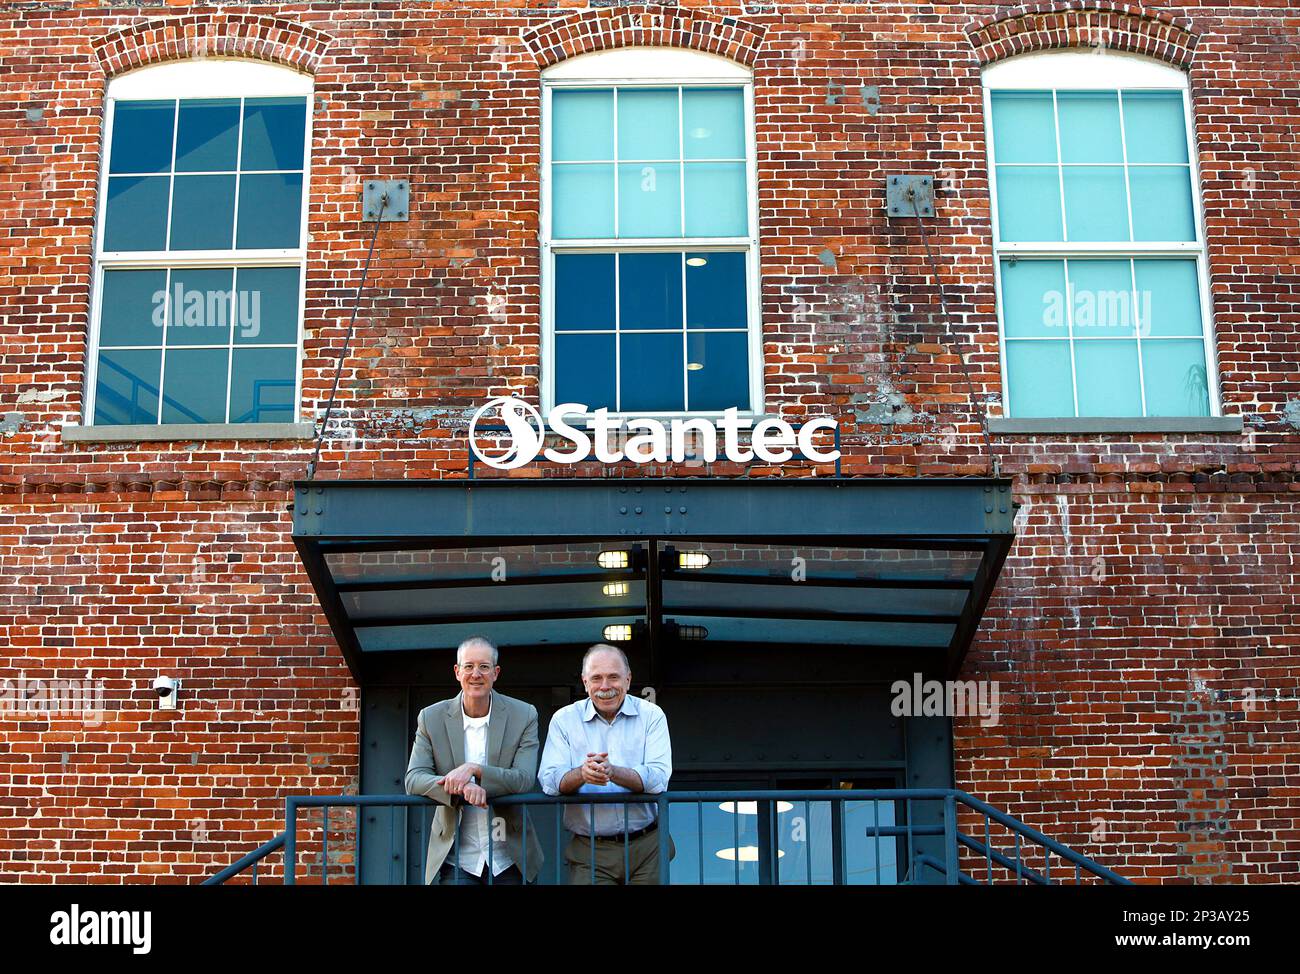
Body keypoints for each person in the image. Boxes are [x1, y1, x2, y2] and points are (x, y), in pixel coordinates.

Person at [404, 635, 543, 884]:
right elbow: (414, 779)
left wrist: (474, 770)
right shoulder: (431, 717)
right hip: (458, 857)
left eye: (484, 667)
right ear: (457, 672)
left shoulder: (524, 714)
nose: (475, 674)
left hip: (510, 855)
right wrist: (461, 786)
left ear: (496, 673)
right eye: (468, 666)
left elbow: (523, 779)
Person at [537, 643, 673, 884]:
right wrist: (582, 774)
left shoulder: (652, 714)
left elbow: (659, 777)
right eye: (596, 678)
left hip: (649, 846)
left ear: (628, 680)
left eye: (613, 677)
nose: (605, 686)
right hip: (589, 850)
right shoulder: (564, 719)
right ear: (585, 682)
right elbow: (549, 781)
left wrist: (613, 772)